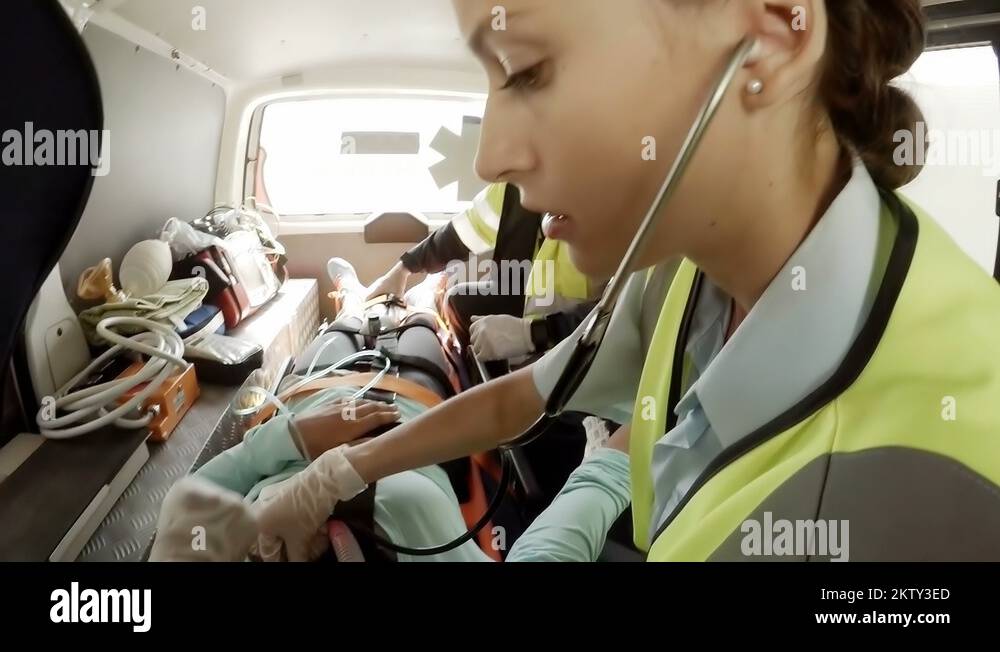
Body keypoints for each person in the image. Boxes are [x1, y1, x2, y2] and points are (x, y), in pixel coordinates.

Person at [232, 0, 1000, 562]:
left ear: (771, 36)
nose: (489, 156)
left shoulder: (920, 493)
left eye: (529, 70)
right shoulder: (680, 273)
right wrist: (338, 472)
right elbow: (520, 398)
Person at [149, 259, 631, 562]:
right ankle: (414, 297)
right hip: (415, 404)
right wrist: (608, 467)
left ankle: (357, 294)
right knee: (419, 321)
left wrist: (295, 438)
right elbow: (551, 548)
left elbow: (195, 494)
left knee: (347, 327)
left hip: (316, 400)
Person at [366, 182, 602, 365]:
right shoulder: (516, 185)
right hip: (532, 300)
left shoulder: (612, 201)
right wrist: (403, 268)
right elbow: (462, 233)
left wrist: (534, 333)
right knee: (458, 301)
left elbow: (620, 311)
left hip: (585, 334)